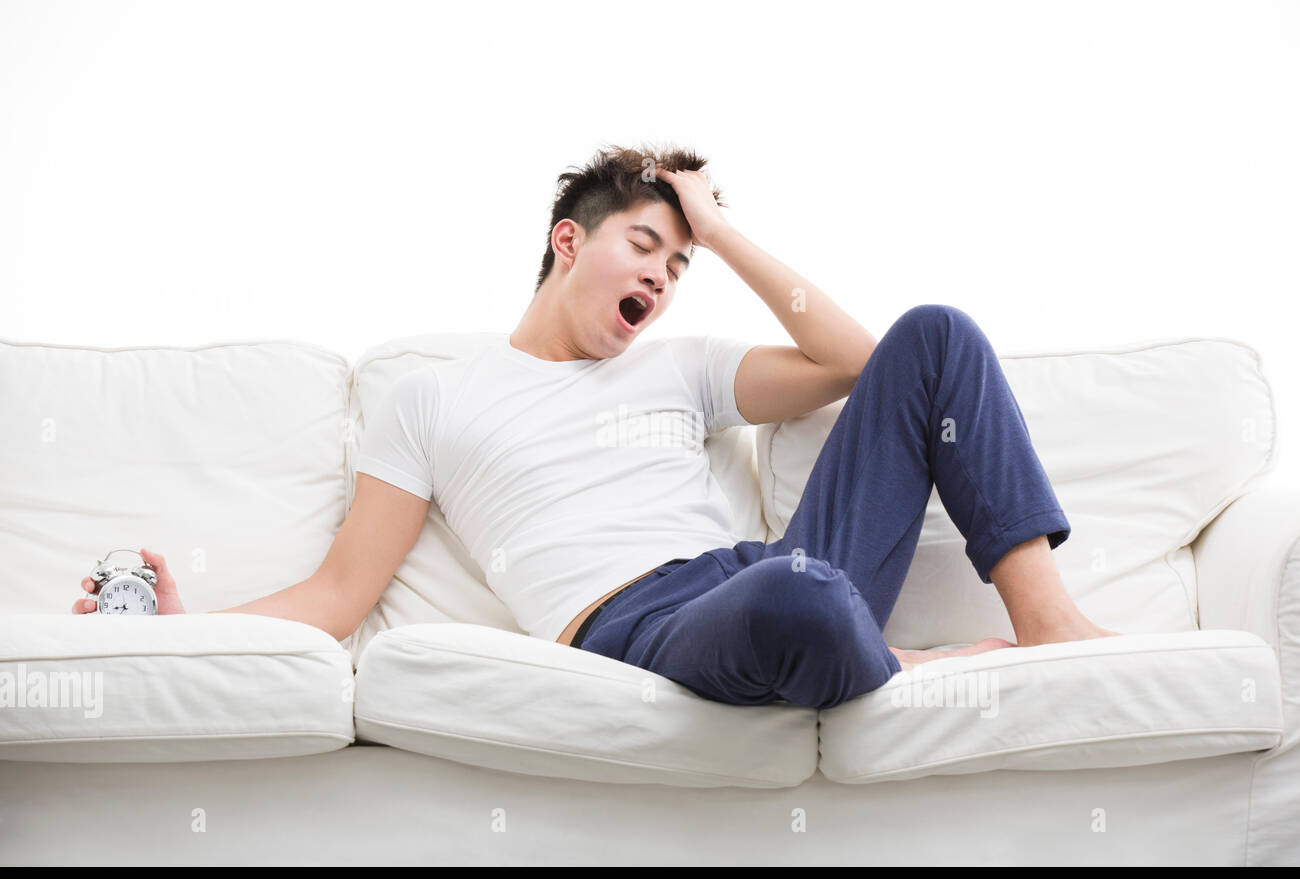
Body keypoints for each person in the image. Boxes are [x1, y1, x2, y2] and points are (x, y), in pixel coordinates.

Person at [73, 142, 1117, 708]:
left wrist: (717, 227)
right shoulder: (431, 397)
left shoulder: (684, 368)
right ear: (567, 240)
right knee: (805, 599)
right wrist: (189, 626)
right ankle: (901, 663)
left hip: (765, 568)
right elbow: (339, 591)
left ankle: (1045, 625)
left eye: (677, 266)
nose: (661, 279)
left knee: (936, 334)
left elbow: (863, 361)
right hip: (642, 626)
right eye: (647, 246)